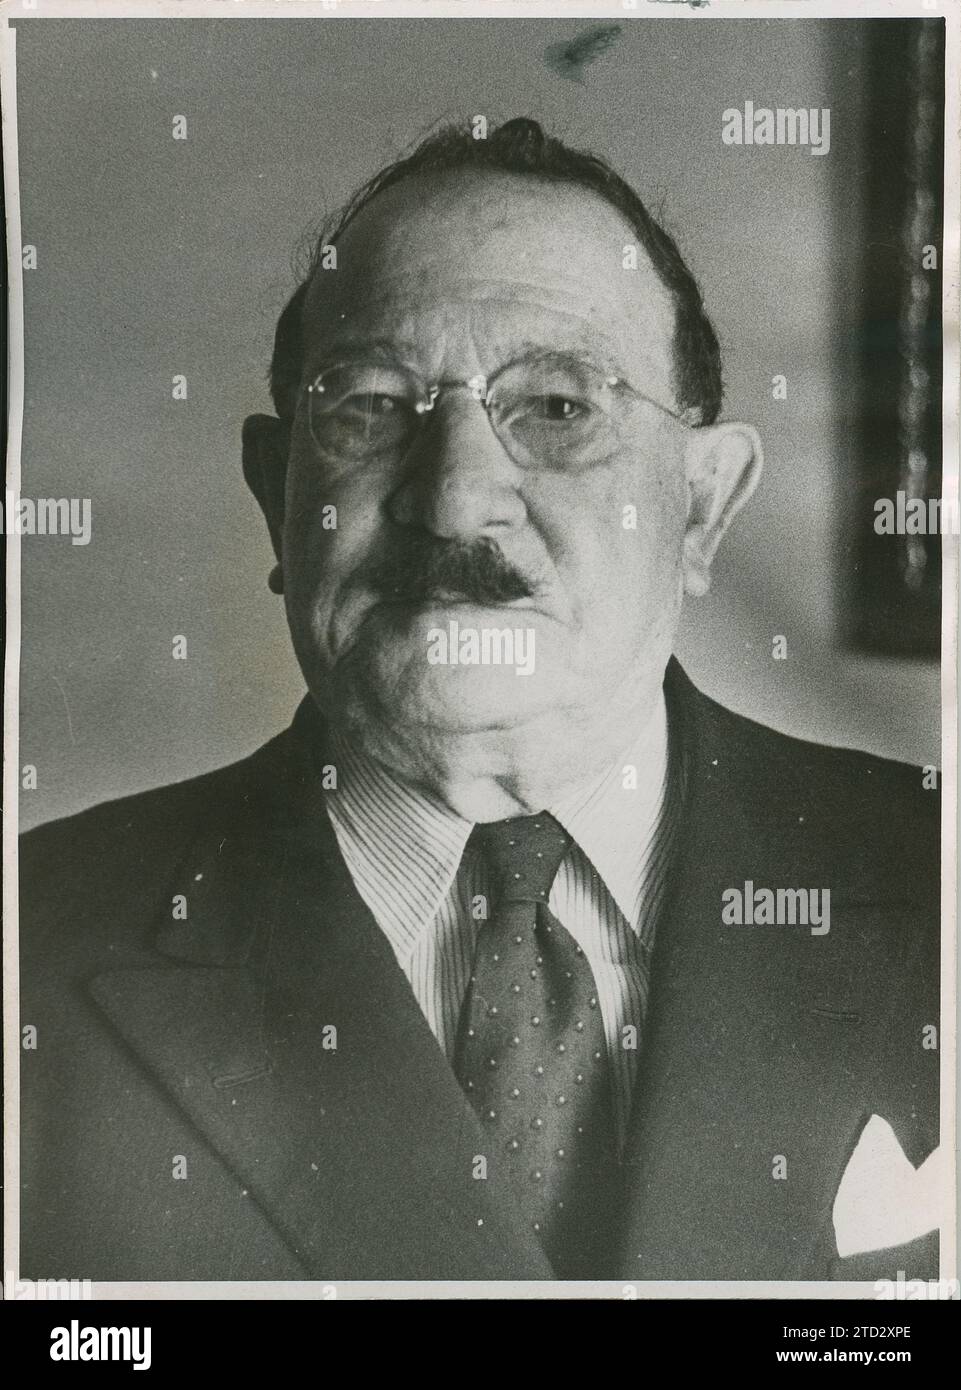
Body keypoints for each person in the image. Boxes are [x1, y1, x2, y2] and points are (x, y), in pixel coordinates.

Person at [19, 118, 939, 1283]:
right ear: (276, 498)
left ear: (701, 505)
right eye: (367, 407)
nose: (456, 502)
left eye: (557, 408)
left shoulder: (931, 877)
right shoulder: (31, 955)